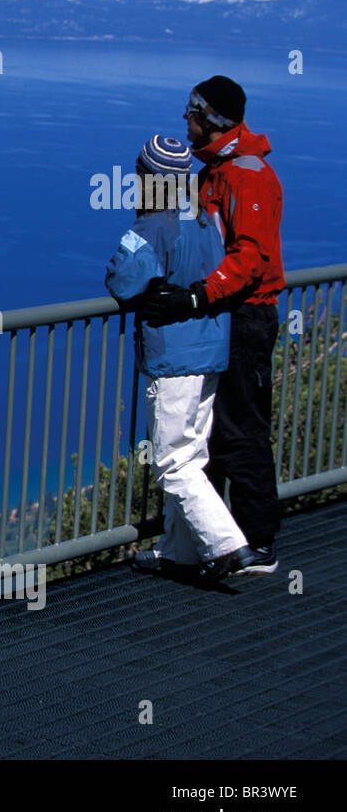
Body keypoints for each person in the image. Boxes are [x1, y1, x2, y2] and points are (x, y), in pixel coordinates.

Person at [139, 77, 283, 574]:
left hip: (246, 316)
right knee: (214, 433)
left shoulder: (247, 176)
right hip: (226, 315)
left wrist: (196, 295)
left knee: (241, 429)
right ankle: (209, 545)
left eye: (192, 112)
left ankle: (255, 544)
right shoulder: (218, 172)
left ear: (213, 119)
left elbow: (252, 257)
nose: (185, 120)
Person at [105, 134, 256, 582]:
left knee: (173, 463)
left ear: (147, 176)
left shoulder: (153, 227)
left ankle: (228, 546)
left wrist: (135, 239)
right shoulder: (207, 218)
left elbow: (121, 282)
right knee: (192, 453)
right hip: (210, 351)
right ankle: (179, 553)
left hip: (173, 358)